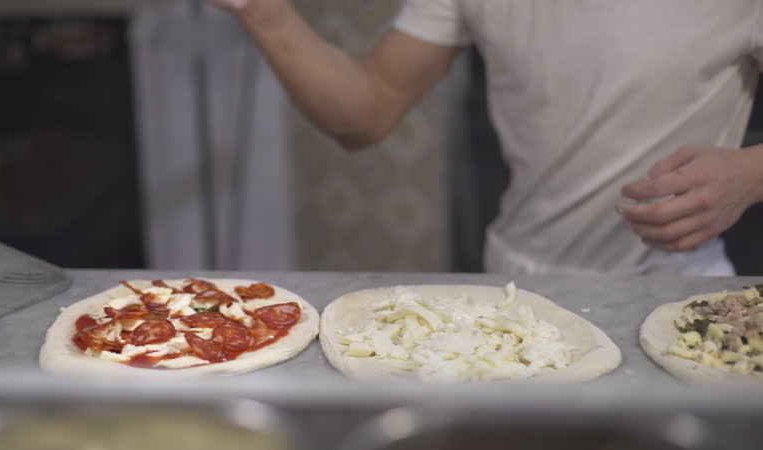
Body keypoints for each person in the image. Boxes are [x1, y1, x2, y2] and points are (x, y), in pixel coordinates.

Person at [207, 0, 763, 275]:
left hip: (670, 286)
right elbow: (367, 111)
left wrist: (749, 174)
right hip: (517, 277)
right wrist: (262, 9)